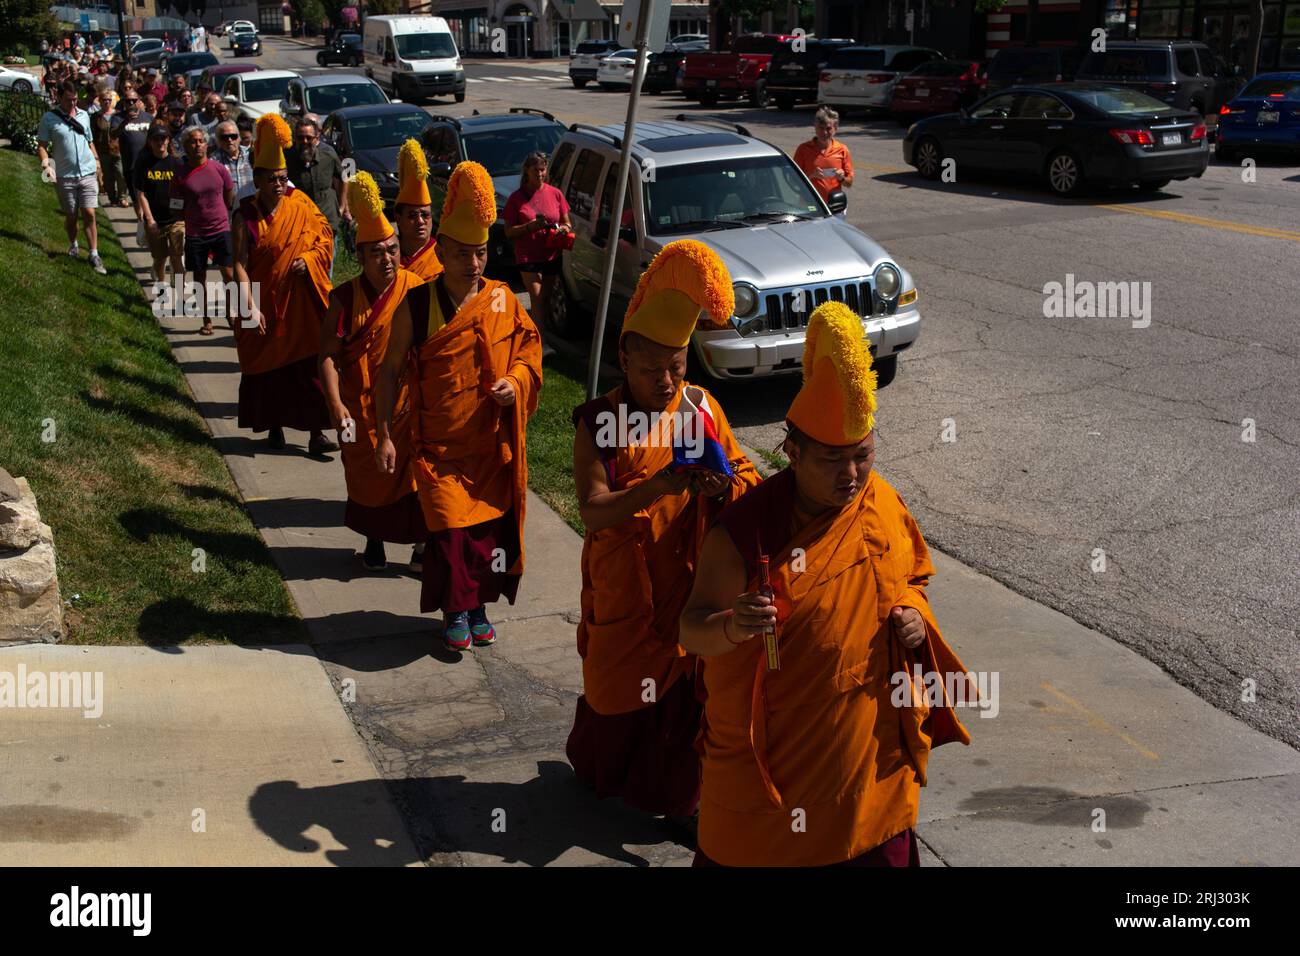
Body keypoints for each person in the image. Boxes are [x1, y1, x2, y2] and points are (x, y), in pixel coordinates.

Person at [678, 301, 976, 868]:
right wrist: (734, 627)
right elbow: (692, 631)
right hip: (774, 774)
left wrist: (915, 616)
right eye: (833, 460)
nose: (851, 475)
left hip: (870, 768)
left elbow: (912, 578)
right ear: (792, 452)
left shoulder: (880, 500)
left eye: (862, 457)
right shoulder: (743, 532)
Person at [566, 240, 762, 821]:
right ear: (624, 358)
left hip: (688, 584)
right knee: (617, 699)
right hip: (624, 592)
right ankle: (604, 770)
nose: (666, 381)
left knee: (683, 703)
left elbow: (744, 477)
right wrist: (657, 488)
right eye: (652, 369)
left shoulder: (701, 408)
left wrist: (720, 488)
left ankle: (681, 804)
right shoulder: (600, 422)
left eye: (676, 368)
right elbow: (593, 510)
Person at [374, 161, 543, 652]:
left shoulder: (500, 298)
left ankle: (478, 607)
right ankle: (454, 610)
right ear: (441, 251)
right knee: (448, 534)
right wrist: (385, 434)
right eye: (464, 253)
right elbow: (388, 371)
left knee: (483, 538)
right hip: (439, 447)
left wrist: (516, 382)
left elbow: (529, 353)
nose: (474, 263)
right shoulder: (418, 304)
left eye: (483, 253)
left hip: (489, 446)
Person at [318, 173, 428, 572]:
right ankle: (374, 539)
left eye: (393, 250)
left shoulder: (416, 288)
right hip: (358, 406)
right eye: (377, 253)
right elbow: (327, 355)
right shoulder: (344, 299)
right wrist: (335, 405)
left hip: (406, 404)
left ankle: (420, 549)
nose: (388, 259)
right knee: (366, 476)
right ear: (361, 257)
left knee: (414, 478)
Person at [230, 114, 336, 455]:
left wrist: (310, 259)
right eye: (272, 179)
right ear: (257, 180)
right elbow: (239, 265)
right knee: (267, 372)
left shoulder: (300, 205)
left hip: (300, 307)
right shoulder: (244, 214)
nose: (279, 185)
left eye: (283, 178)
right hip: (262, 301)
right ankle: (274, 426)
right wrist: (249, 306)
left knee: (308, 371)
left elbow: (325, 239)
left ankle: (317, 433)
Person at [37, 80, 107, 275]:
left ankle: (94, 253)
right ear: (59, 98)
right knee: (71, 216)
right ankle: (74, 243)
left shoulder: (84, 115)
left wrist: (97, 161)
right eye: (68, 100)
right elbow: (42, 145)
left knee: (90, 213)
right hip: (65, 175)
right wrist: (46, 165)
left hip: (87, 172)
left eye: (75, 99)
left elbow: (90, 141)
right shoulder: (49, 119)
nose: (73, 104)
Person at [171, 126, 235, 336]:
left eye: (200, 141)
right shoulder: (179, 174)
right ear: (185, 146)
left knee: (228, 274)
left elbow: (228, 195)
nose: (197, 145)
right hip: (196, 234)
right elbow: (175, 204)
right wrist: (187, 219)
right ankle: (206, 319)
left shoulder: (219, 169)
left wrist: (222, 216)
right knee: (199, 278)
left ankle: (231, 312)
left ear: (206, 144)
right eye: (192, 142)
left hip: (221, 229)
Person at [502, 151, 570, 341]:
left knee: (546, 298)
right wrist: (530, 227)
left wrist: (564, 229)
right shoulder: (516, 199)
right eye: (536, 170)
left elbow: (567, 222)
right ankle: (540, 343)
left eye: (543, 169)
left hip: (552, 253)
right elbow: (508, 231)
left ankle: (536, 333)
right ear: (527, 170)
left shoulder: (555, 193)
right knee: (537, 297)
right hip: (527, 256)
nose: (540, 174)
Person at [285, 118, 350, 271]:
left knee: (327, 265)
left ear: (317, 138)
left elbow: (344, 176)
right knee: (302, 267)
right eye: (300, 138)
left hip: (327, 218)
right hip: (299, 222)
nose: (305, 141)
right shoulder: (287, 158)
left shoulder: (328, 154)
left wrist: (342, 206)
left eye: (309, 137)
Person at [134, 123, 186, 284]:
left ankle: (179, 292)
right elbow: (140, 194)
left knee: (177, 256)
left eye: (163, 139)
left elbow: (184, 191)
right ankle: (161, 286)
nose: (160, 142)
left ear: (168, 141)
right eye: (156, 139)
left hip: (176, 219)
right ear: (150, 142)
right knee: (160, 258)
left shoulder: (177, 164)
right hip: (155, 220)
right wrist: (149, 220)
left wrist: (183, 214)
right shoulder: (143, 163)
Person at [392, 139, 442, 282]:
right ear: (398, 217)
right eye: (412, 215)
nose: (420, 221)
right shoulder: (389, 256)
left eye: (425, 215)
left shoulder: (443, 255)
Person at [793, 106, 854, 212]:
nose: (824, 132)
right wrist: (812, 175)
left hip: (834, 205)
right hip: (810, 204)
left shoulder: (842, 150)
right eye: (821, 128)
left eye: (828, 128)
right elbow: (793, 180)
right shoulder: (803, 149)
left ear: (835, 129)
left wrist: (842, 178)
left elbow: (849, 183)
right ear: (815, 127)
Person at [113, 89, 155, 203]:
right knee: (136, 197)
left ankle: (148, 218)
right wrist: (125, 121)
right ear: (124, 102)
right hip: (130, 164)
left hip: (148, 163)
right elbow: (113, 135)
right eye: (128, 101)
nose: (131, 103)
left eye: (134, 100)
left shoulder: (148, 118)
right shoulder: (118, 117)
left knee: (149, 194)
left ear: (138, 101)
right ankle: (141, 219)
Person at [89, 86, 128, 207]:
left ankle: (123, 197)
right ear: (100, 101)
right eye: (104, 100)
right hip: (103, 151)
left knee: (120, 173)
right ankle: (113, 198)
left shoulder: (118, 115)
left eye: (109, 100)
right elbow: (92, 135)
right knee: (108, 177)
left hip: (118, 149)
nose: (107, 102)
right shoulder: (95, 117)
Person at [211, 120, 255, 206]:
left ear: (239, 138)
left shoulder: (252, 154)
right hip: (228, 211)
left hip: (253, 207)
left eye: (233, 136)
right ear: (218, 140)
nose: (229, 140)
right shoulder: (213, 161)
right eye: (224, 137)